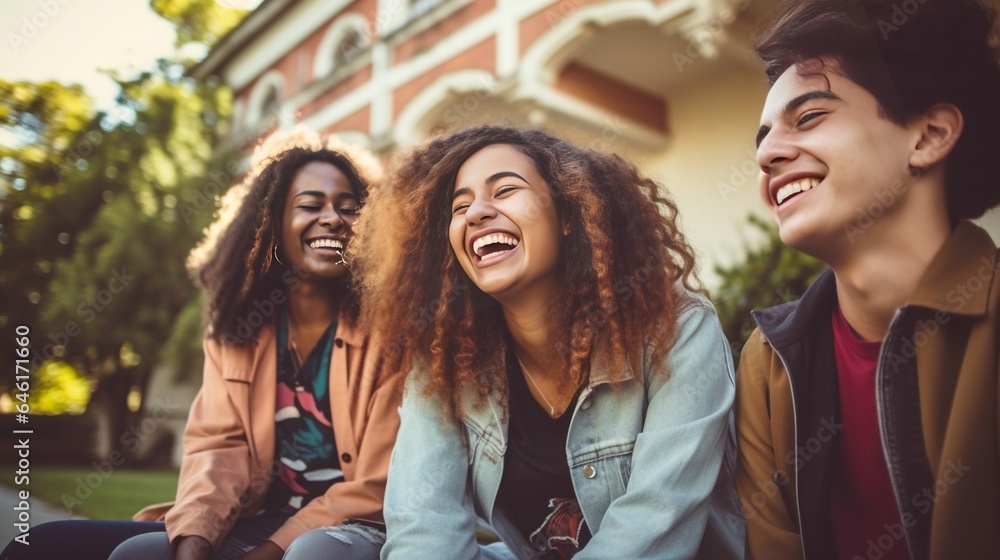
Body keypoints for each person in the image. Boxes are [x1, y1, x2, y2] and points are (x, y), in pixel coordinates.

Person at [1, 131, 401, 560]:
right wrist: (196, 540)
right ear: (270, 223)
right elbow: (218, 447)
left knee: (311, 553)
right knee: (55, 546)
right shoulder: (238, 330)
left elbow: (377, 483)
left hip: (352, 528)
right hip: (260, 518)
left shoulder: (393, 329)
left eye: (348, 208)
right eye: (310, 205)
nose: (333, 218)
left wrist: (266, 553)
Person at [350, 125, 744, 559]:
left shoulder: (677, 329)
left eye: (504, 190)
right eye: (460, 206)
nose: (476, 213)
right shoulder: (446, 362)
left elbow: (654, 524)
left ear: (568, 215)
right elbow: (425, 527)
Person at [735, 1, 1000, 559]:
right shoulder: (766, 364)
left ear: (928, 136)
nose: (766, 155)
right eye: (763, 137)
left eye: (809, 117)